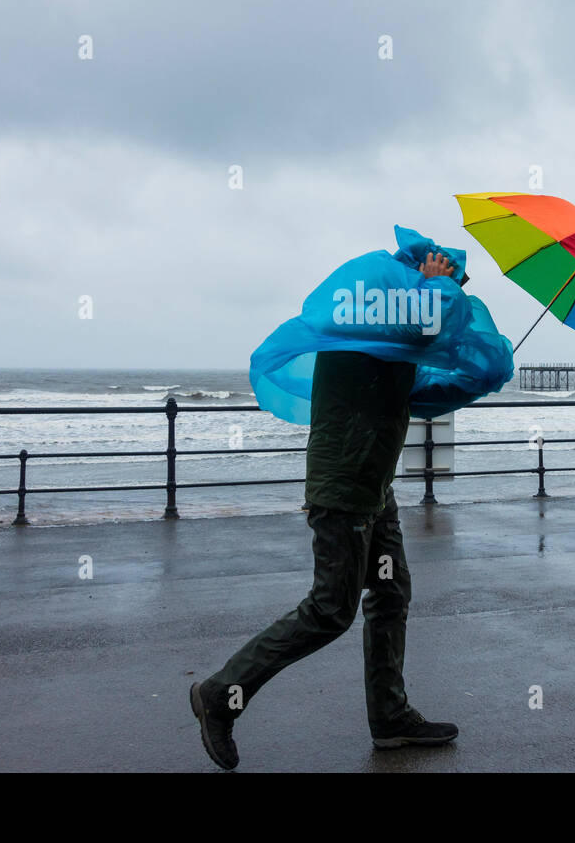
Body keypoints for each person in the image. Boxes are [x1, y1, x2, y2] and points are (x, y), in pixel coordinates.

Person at [190, 251, 463, 770]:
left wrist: (468, 370)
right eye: (442, 275)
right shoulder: (378, 318)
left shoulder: (386, 331)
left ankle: (390, 718)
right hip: (346, 486)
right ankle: (219, 694)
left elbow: (416, 381)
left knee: (389, 592)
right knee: (330, 608)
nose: (450, 286)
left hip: (373, 485)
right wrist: (433, 289)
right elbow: (426, 331)